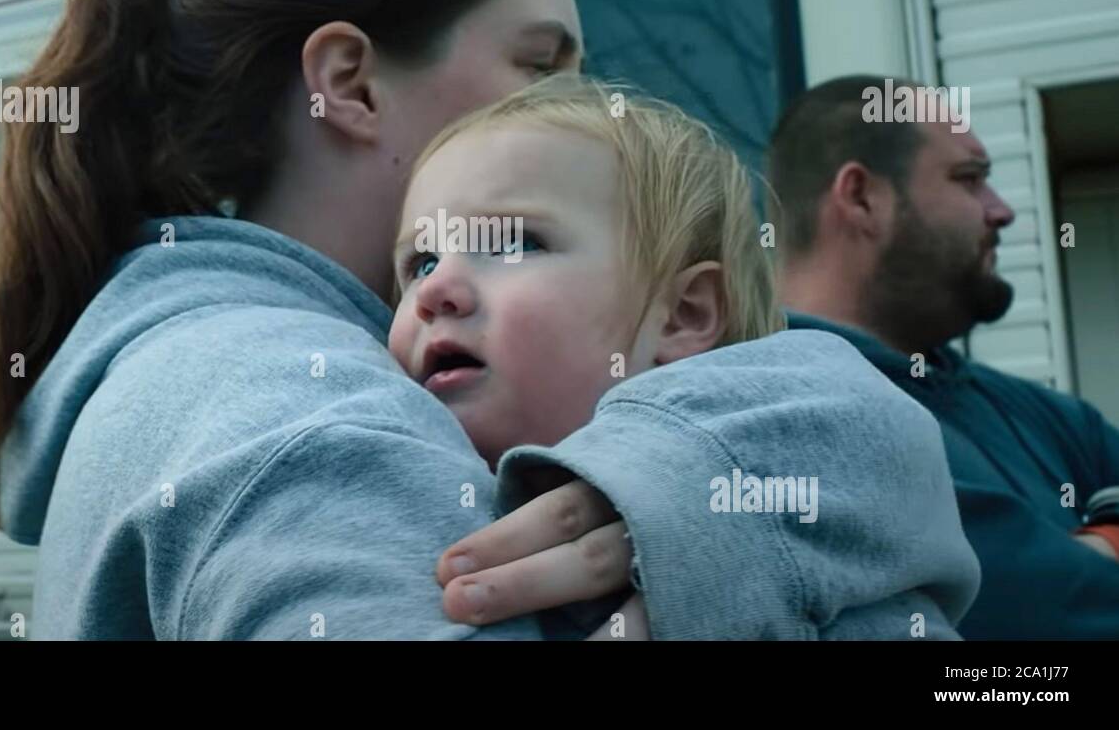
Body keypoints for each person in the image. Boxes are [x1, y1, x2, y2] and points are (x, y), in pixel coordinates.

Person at [0, 0, 974, 639]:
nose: (587, 110)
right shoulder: (303, 416)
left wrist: (736, 487)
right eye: (541, 66)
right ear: (351, 81)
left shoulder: (228, 371)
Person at [389, 76, 980, 639]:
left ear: (684, 315)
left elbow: (870, 433)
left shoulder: (813, 568)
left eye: (516, 242)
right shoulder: (378, 500)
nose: (436, 290)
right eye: (421, 262)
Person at [768, 74, 1119, 639]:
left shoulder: (1046, 416)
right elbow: (1028, 616)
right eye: (971, 179)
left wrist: (1094, 552)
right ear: (862, 198)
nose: (1001, 211)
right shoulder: (781, 419)